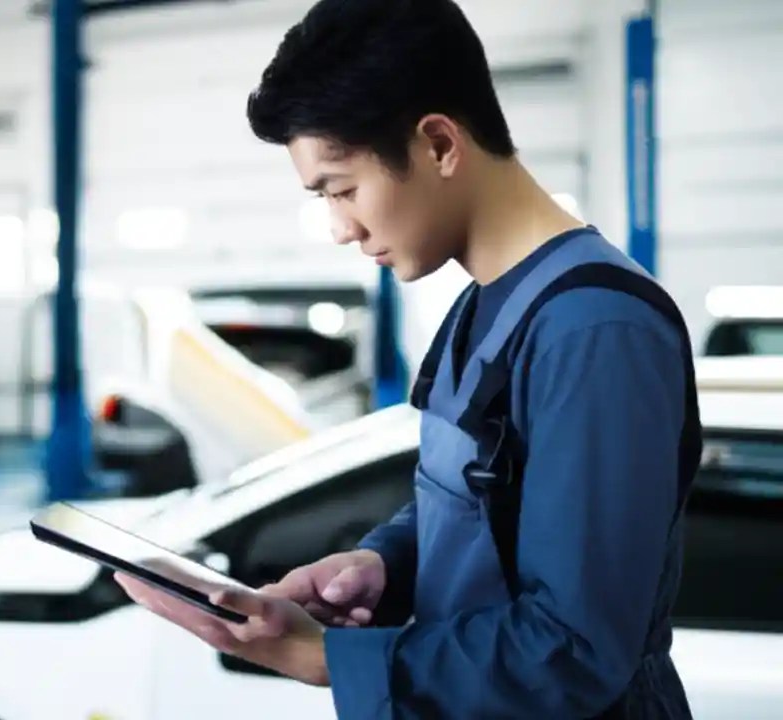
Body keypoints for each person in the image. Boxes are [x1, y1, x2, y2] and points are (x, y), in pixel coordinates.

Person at [112, 0, 702, 717]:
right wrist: (383, 565)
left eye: (342, 189)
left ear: (439, 145)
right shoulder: (487, 303)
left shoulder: (594, 331)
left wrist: (325, 657)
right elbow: (485, 504)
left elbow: (575, 650)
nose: (341, 227)